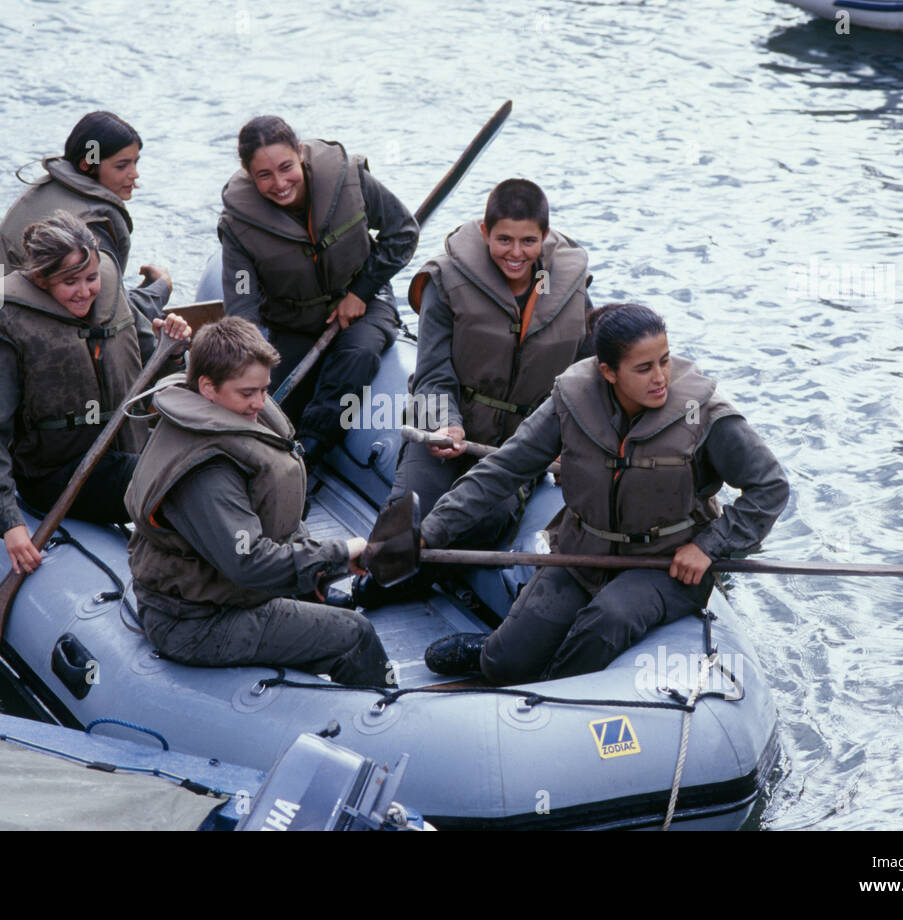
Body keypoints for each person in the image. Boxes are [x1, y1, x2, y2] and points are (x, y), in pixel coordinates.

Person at [416, 304, 789, 683]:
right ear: (608, 372)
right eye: (643, 368)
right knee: (507, 663)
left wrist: (709, 546)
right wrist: (430, 531)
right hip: (582, 553)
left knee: (609, 618)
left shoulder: (702, 412)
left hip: (664, 566)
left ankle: (552, 690)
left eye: (664, 361)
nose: (660, 377)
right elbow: (504, 469)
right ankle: (494, 654)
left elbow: (770, 486)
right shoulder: (570, 400)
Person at [354, 179, 592, 608]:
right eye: (504, 240)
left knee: (488, 517)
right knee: (407, 510)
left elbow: (586, 379)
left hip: (517, 449)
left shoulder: (571, 290)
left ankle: (392, 583)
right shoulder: (446, 281)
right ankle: (383, 572)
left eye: (528, 241)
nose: (516, 253)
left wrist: (571, 446)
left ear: (545, 236)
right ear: (485, 233)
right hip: (441, 430)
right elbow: (432, 372)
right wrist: (447, 423)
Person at [123, 317, 392, 686]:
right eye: (247, 393)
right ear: (208, 388)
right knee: (354, 635)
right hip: (196, 621)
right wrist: (339, 553)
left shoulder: (220, 419)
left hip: (225, 592)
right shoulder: (206, 470)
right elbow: (247, 561)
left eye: (264, 390)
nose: (259, 403)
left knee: (319, 601)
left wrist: (320, 567)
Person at [0, 212, 189, 574]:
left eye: (91, 278)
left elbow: (156, 377)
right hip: (59, 476)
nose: (85, 291)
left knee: (202, 461)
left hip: (124, 453)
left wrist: (175, 353)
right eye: (70, 282)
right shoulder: (14, 332)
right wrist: (9, 523)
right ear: (41, 280)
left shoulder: (112, 302)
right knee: (179, 480)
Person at [218, 115, 418, 467]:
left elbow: (403, 233)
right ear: (249, 175)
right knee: (272, 401)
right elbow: (242, 297)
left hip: (366, 303)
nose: (280, 183)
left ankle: (307, 455)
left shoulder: (350, 179)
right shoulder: (238, 226)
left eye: (286, 167)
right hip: (293, 320)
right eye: (264, 175)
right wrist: (250, 360)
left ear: (300, 153)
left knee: (358, 356)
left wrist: (360, 292)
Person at [0, 111, 172, 397]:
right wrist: (159, 290)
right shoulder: (91, 229)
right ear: (88, 164)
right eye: (122, 165)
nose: (134, 174)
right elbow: (112, 315)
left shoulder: (45, 190)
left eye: (135, 162)